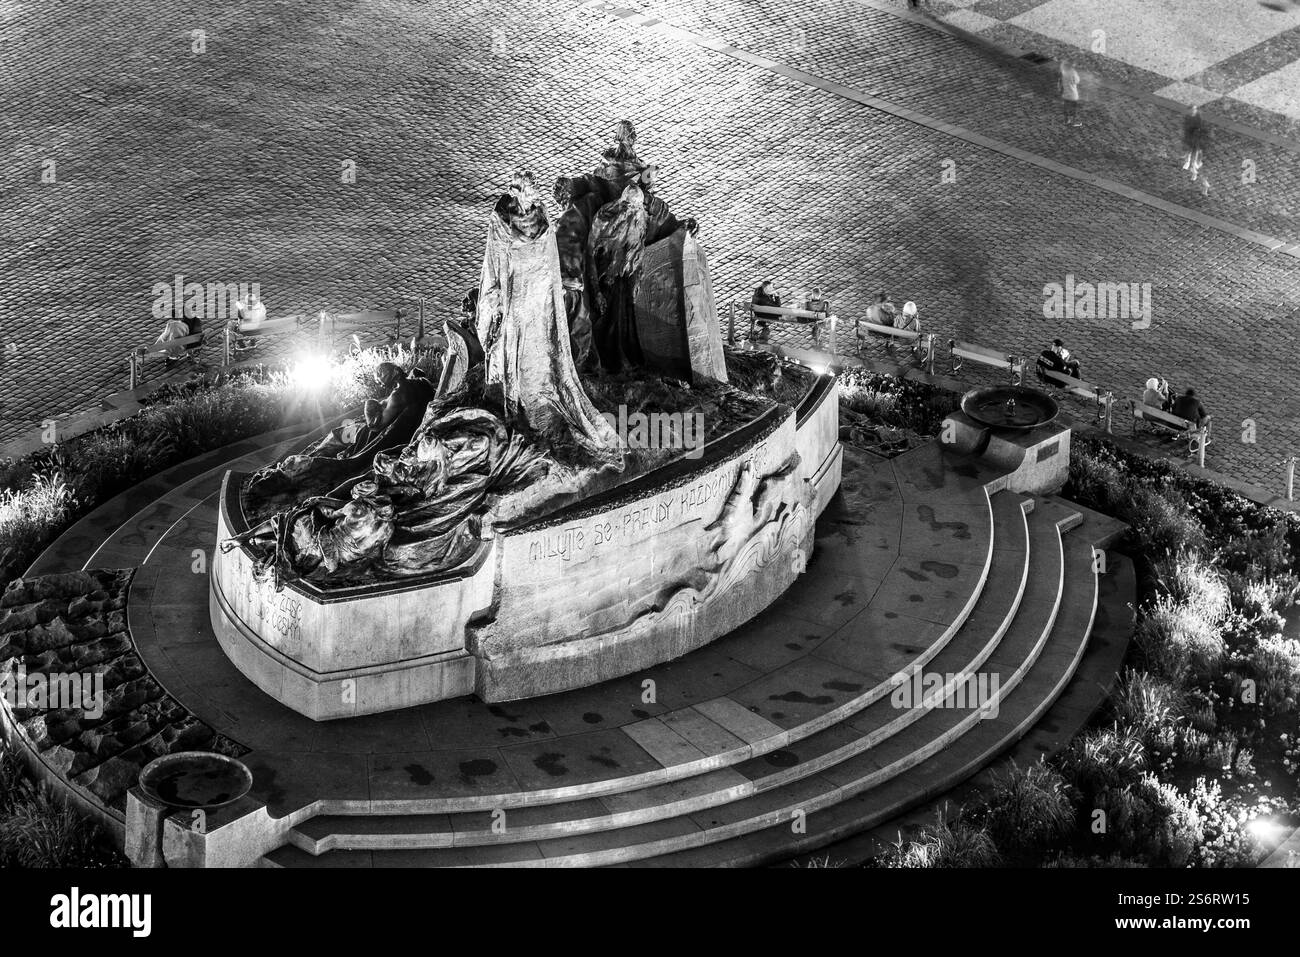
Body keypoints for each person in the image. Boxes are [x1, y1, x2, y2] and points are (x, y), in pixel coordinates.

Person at [1181, 105, 1211, 196]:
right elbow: (1186, 132)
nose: (1193, 111)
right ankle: (1195, 173)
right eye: (1192, 109)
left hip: (1196, 146)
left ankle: (1205, 184)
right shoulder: (1188, 118)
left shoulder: (1198, 120)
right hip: (1193, 145)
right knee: (1192, 163)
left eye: (1194, 109)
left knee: (1196, 164)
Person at [1059, 59, 1082, 127]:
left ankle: (1066, 120)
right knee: (1073, 109)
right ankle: (1074, 122)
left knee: (1066, 108)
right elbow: (1077, 81)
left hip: (1065, 94)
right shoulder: (1073, 72)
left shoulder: (1063, 71)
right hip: (1072, 95)